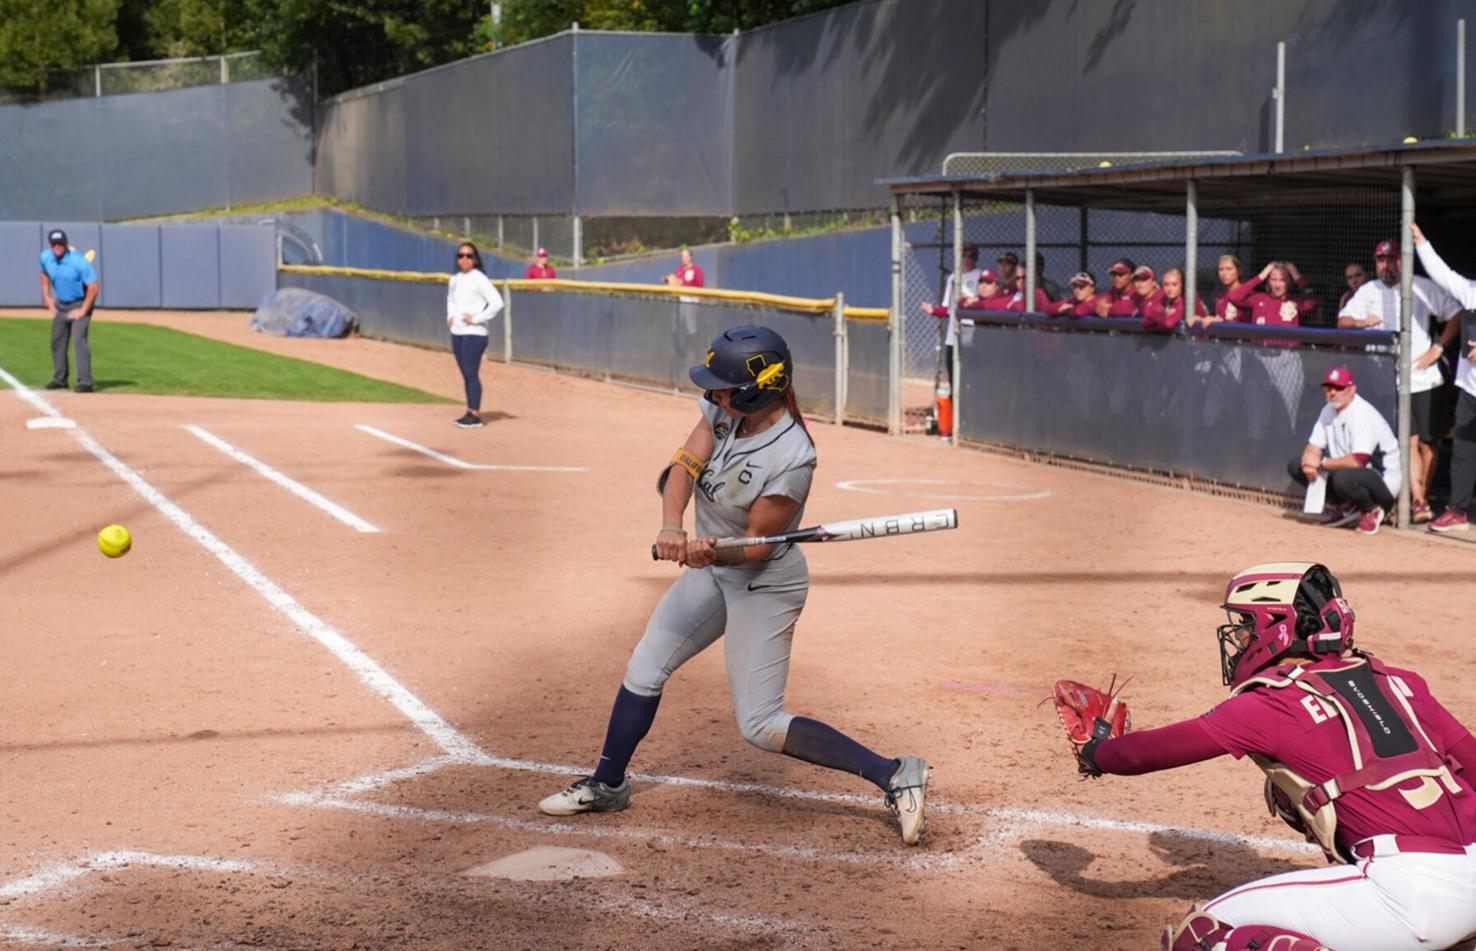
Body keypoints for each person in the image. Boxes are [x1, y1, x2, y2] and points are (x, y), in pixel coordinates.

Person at [537, 325, 932, 845]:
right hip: (716, 571)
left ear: (756, 390)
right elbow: (684, 465)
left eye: (722, 385)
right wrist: (674, 525)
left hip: (763, 583)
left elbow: (759, 545)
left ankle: (896, 772)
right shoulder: (722, 411)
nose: (712, 393)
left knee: (761, 724)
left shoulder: (792, 455)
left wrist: (710, 547)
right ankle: (608, 783)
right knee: (645, 666)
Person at [1076, 562, 1476, 951]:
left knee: (1203, 935)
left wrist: (1097, 750)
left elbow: (1139, 756)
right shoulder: (1402, 682)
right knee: (1288, 790)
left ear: (1278, 627)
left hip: (1414, 893)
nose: (1243, 637)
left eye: (1249, 626)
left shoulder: (1271, 702)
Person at [1338, 238, 1461, 524]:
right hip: (1385, 380)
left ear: (1402, 261)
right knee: (1407, 441)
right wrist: (1360, 323)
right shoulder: (1369, 291)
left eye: (1391, 259)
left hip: (1423, 375)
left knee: (1429, 445)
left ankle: (1419, 499)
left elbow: (1456, 313)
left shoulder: (1421, 285)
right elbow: (1342, 321)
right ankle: (1416, 501)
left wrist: (1439, 347)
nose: (1385, 265)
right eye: (1380, 260)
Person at [1411, 223, 1476, 533]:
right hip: (1470, 389)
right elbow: (1443, 274)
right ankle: (1458, 511)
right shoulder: (1471, 290)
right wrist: (1422, 242)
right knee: (1463, 453)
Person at [1288, 367, 1400, 536]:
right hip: (1352, 475)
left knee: (1343, 477)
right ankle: (1348, 507)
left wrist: (1320, 463)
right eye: (1328, 388)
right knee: (1296, 465)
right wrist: (1309, 461)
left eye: (1339, 388)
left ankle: (1371, 509)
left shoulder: (1361, 412)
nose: (1333, 393)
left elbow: (1359, 460)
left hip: (1382, 481)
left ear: (1352, 389)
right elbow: (1314, 445)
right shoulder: (1327, 410)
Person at [446, 242, 504, 429]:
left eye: (469, 256)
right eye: (461, 255)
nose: (464, 259)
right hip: (458, 331)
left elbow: (497, 303)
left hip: (475, 332)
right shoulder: (454, 279)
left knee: (471, 372)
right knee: (466, 374)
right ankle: (469, 410)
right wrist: (450, 316)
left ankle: (475, 414)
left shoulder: (479, 278)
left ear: (475, 259)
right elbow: (450, 300)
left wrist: (478, 318)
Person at [38, 229, 100, 393]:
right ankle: (60, 379)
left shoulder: (78, 261)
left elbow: (93, 287)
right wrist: (47, 297)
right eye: (54, 244)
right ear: (50, 245)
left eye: (60, 244)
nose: (57, 247)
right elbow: (44, 274)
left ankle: (85, 382)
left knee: (79, 339)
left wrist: (82, 311)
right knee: (56, 341)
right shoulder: (45, 257)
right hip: (61, 304)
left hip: (80, 303)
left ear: (65, 244)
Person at [916, 244, 982, 386]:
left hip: (970, 329)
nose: (967, 258)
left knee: (969, 374)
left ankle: (968, 406)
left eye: (971, 256)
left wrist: (963, 297)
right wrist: (933, 310)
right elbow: (948, 309)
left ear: (976, 258)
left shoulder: (980, 276)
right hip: (953, 333)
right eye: (964, 255)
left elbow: (981, 303)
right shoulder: (952, 277)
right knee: (952, 375)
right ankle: (954, 406)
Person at [1225, 260, 1319, 329]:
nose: (1277, 285)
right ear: (1268, 281)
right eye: (1273, 280)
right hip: (1260, 353)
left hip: (1287, 353)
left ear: (1289, 282)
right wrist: (1260, 277)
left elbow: (1313, 303)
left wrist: (1298, 278)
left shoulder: (1295, 301)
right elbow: (1233, 297)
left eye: (1283, 280)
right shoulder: (1258, 299)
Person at [1140, 267, 1208, 332]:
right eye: (1166, 284)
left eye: (1174, 284)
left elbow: (1169, 323)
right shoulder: (1165, 300)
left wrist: (1159, 314)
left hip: (1202, 340)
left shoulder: (1186, 299)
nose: (1170, 289)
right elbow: (1145, 323)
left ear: (1182, 285)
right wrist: (1162, 314)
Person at [1214, 254, 1247, 324]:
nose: (1224, 273)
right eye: (1221, 269)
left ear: (1239, 271)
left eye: (1229, 269)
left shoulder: (1247, 294)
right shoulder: (1220, 298)